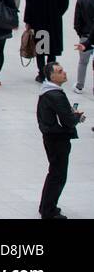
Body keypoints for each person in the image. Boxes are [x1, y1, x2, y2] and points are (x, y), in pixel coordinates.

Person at [37, 62, 84, 219]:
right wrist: (76, 116)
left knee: (54, 173)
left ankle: (45, 206)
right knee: (58, 175)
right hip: (58, 139)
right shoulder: (55, 95)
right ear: (51, 76)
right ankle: (49, 210)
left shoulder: (47, 92)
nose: (64, 73)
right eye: (60, 71)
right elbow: (68, 121)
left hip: (51, 136)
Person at [75, 0, 94, 92]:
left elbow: (77, 21)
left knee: (83, 62)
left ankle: (79, 85)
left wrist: (80, 33)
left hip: (85, 35)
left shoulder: (81, 1)